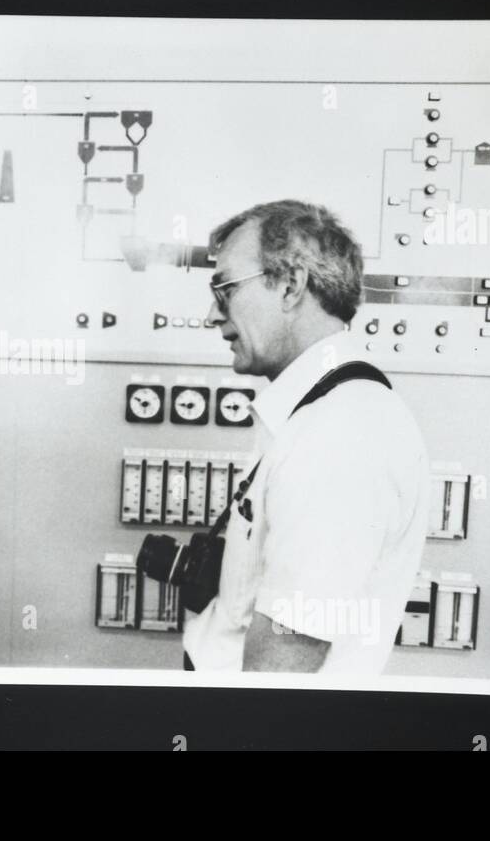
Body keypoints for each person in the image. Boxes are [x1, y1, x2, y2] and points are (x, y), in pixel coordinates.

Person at [182, 200, 431, 675]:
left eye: (225, 288)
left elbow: (286, 661)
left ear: (291, 286)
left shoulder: (340, 434)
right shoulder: (315, 412)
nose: (213, 314)